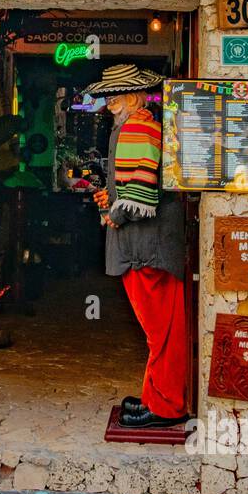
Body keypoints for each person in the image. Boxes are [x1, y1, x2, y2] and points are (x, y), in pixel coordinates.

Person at [90, 65, 189, 429]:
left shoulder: (138, 126)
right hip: (147, 247)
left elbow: (141, 193)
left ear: (132, 97)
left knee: (161, 330)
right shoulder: (140, 125)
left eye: (114, 98)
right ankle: (155, 395)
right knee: (159, 329)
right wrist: (112, 197)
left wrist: (116, 212)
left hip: (147, 248)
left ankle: (166, 406)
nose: (108, 105)